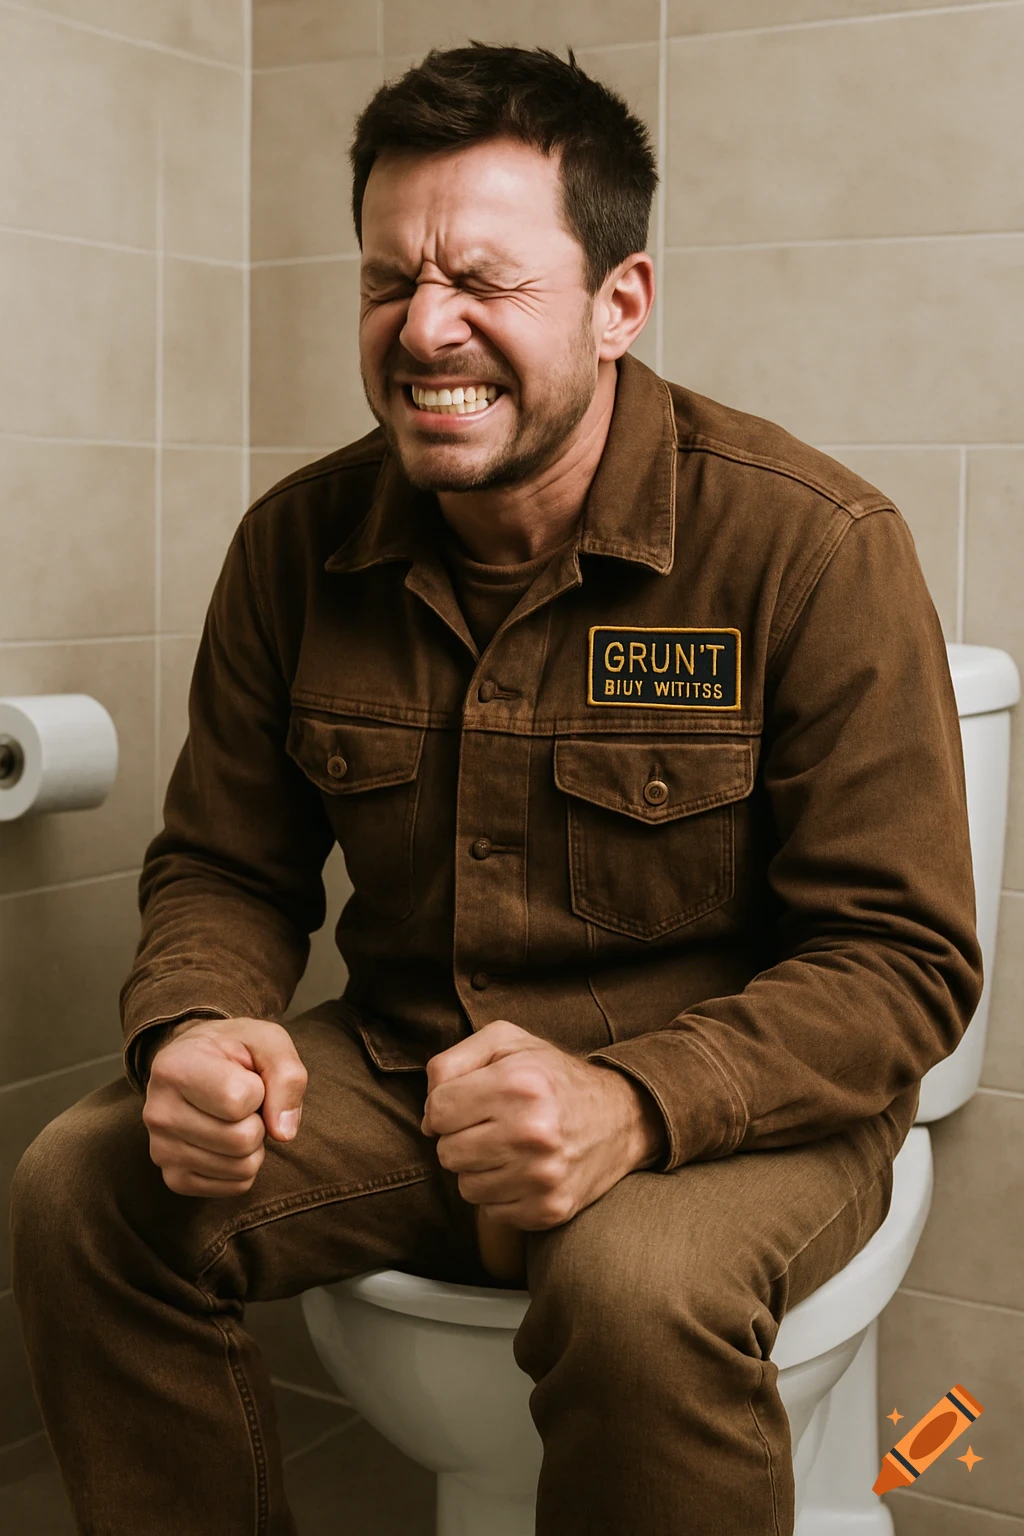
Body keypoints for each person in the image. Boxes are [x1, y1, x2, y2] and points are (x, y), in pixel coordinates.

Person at [11, 42, 981, 1536]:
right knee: (83, 1192)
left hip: (742, 1108)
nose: (426, 327)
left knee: (634, 1289)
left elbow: (905, 965)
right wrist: (196, 1027)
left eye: (484, 280)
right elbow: (224, 866)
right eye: (390, 280)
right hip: (410, 1075)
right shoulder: (294, 544)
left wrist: (636, 1103)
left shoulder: (812, 548)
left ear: (619, 302)